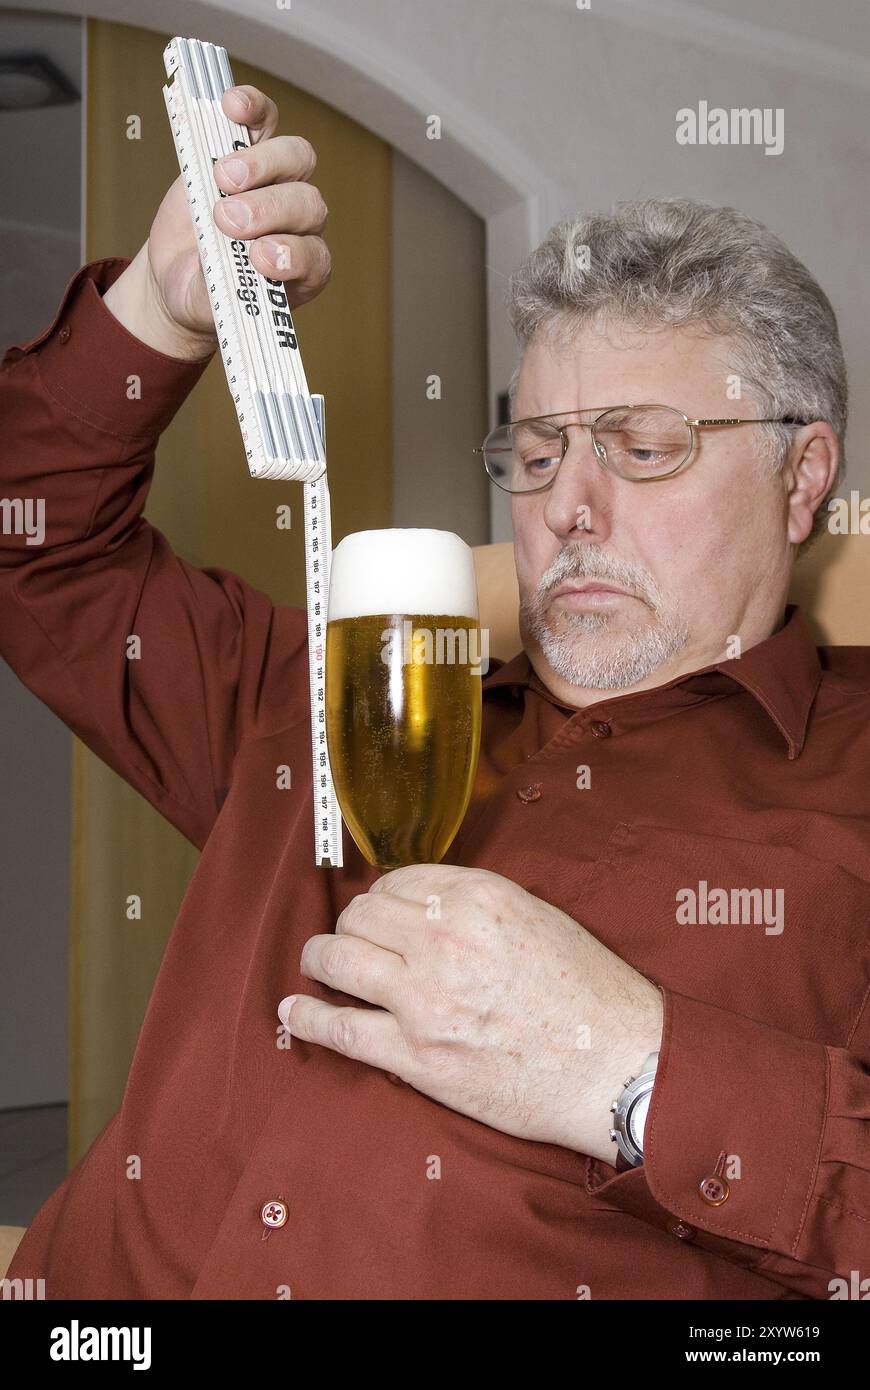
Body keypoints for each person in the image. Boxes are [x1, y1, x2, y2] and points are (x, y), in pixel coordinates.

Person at [1, 83, 868, 1301]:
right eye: (541, 450)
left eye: (645, 448)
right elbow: (34, 544)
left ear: (801, 475)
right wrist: (160, 304)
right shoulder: (321, 704)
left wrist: (632, 1072)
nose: (570, 506)